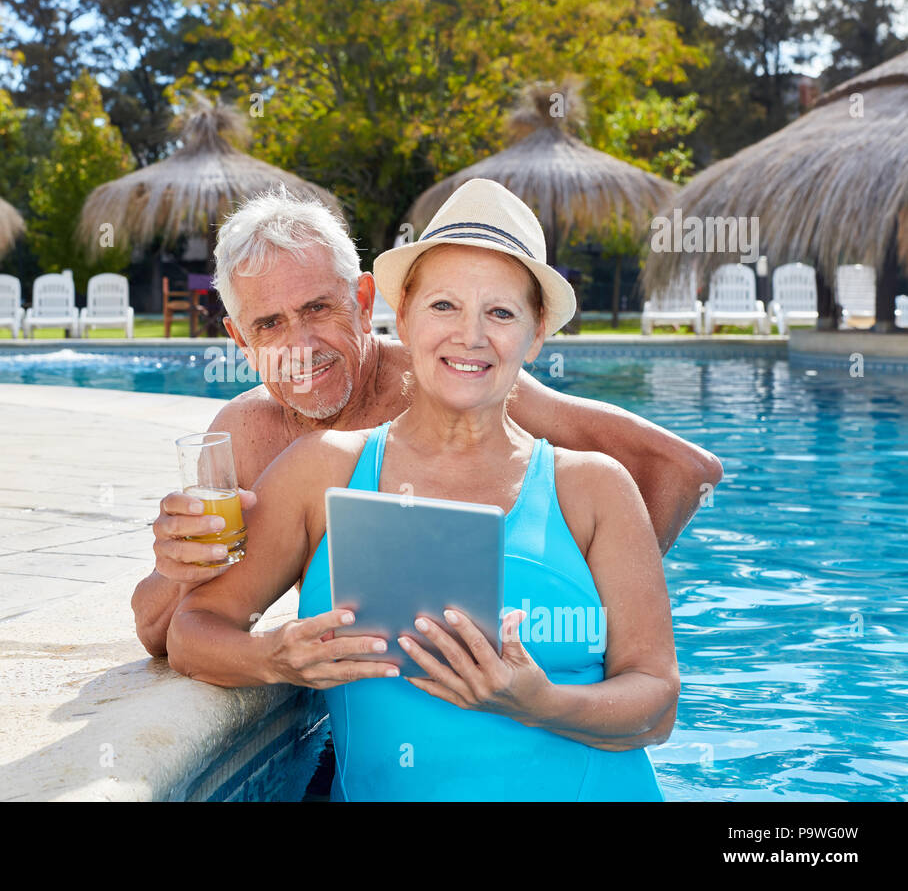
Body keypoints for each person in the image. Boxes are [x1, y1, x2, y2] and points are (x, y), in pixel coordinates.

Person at [165, 178, 680, 800]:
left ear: (537, 333)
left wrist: (540, 702)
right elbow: (191, 632)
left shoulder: (596, 488)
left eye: (500, 313)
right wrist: (271, 657)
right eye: (444, 306)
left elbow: (657, 705)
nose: (470, 336)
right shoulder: (320, 471)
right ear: (402, 316)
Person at [133, 187, 721, 657]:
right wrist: (178, 567)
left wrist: (589, 621)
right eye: (269, 325)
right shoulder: (246, 432)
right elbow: (162, 633)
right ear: (239, 338)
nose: (301, 346)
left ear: (365, 302)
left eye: (318, 309)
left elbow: (682, 468)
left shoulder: (452, 378)